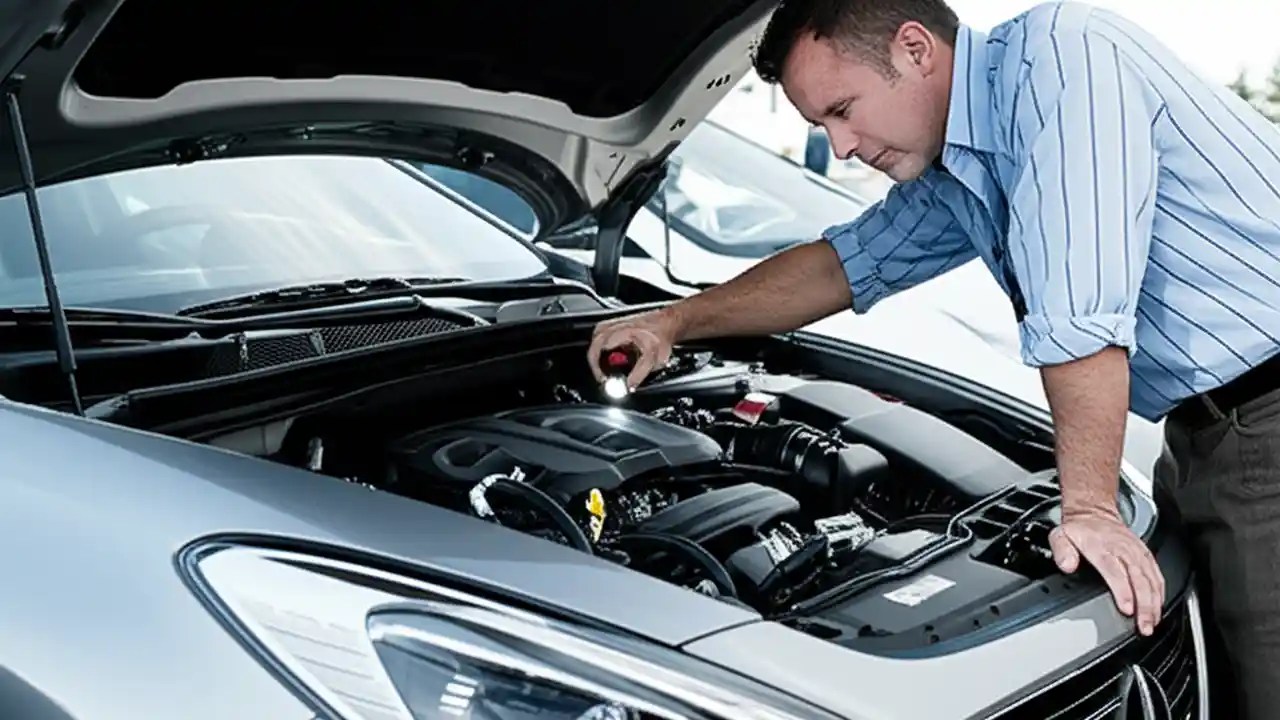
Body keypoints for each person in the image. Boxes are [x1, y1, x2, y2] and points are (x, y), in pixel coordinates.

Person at [586, 0, 1280, 714]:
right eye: (822, 127)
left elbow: (1080, 319)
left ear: (916, 49)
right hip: (1207, 431)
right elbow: (841, 266)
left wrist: (1092, 510)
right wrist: (675, 321)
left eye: (843, 109)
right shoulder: (960, 164)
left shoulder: (1060, 67)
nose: (843, 144)